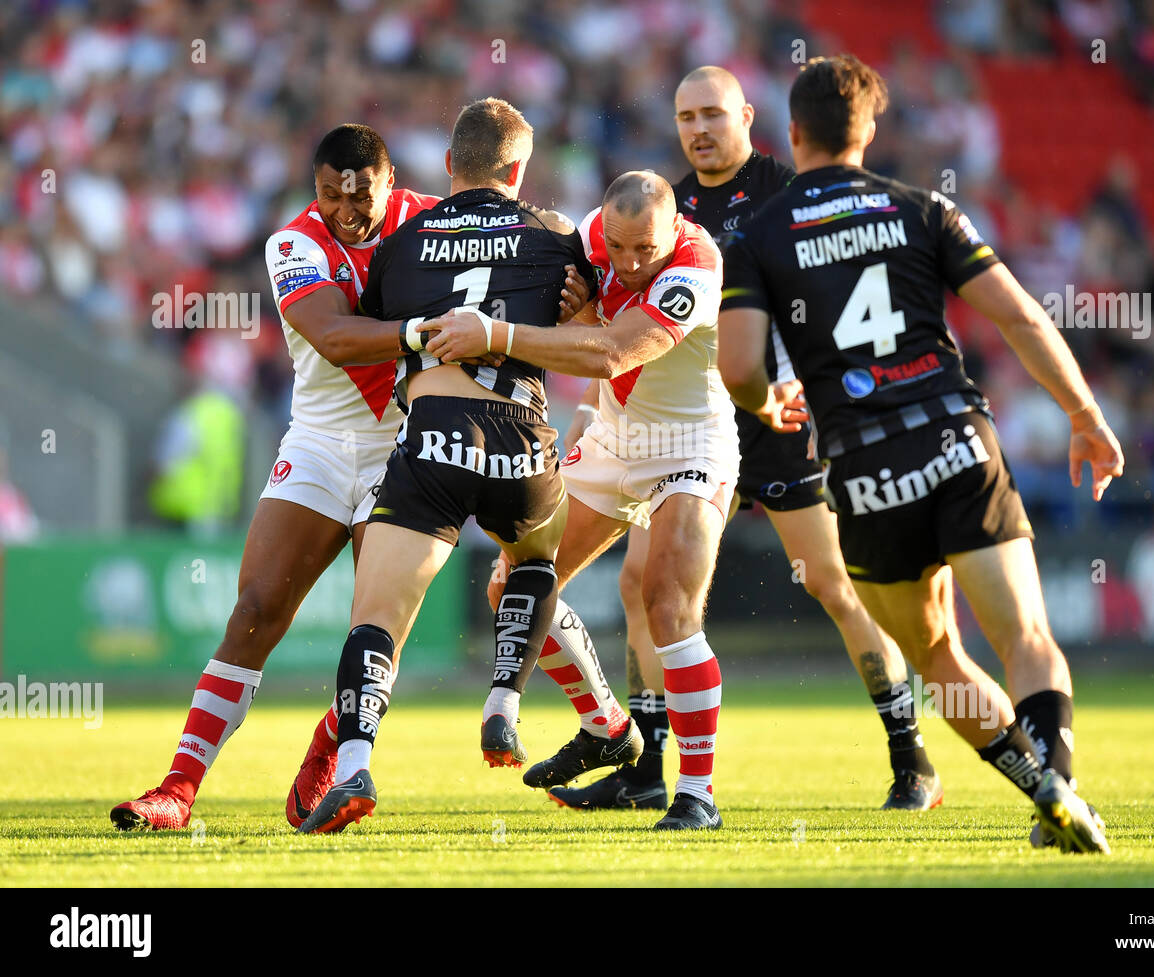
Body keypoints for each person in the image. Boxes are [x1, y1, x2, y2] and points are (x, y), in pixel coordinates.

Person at [111, 121, 585, 831]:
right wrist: (428, 330)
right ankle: (177, 789)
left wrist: (562, 284)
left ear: (392, 183)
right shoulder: (294, 243)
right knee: (255, 611)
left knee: (378, 629)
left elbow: (534, 240)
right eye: (330, 194)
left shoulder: (432, 220)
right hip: (323, 442)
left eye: (359, 195)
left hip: (414, 439)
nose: (344, 210)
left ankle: (333, 743)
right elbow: (334, 337)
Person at [718, 55, 1124, 853]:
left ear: (790, 133)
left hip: (863, 469)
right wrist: (1083, 413)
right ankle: (1062, 780)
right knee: (1028, 641)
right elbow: (1021, 319)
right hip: (954, 437)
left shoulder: (758, 236)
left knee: (936, 657)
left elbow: (738, 366)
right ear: (869, 131)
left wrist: (765, 402)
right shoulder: (923, 208)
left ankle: (1038, 786)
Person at [554, 65, 940, 813]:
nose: (699, 128)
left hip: (780, 421)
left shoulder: (789, 194)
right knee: (641, 585)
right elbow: (624, 329)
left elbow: (844, 305)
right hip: (688, 430)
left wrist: (832, 395)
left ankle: (910, 755)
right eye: (686, 116)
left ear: (747, 116)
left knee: (834, 583)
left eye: (713, 114)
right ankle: (648, 767)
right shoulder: (660, 210)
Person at [426, 170, 773, 830]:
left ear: (676, 229)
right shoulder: (590, 237)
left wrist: (495, 335)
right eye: (618, 248)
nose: (632, 262)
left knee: (667, 604)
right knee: (512, 587)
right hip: (614, 437)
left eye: (647, 248)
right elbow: (548, 288)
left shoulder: (697, 268)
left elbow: (614, 352)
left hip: (690, 446)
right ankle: (608, 726)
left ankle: (696, 793)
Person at [297, 98, 592, 833]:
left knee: (376, 620)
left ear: (447, 167)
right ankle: (504, 699)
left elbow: (368, 333)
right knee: (533, 558)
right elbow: (588, 323)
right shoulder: (555, 237)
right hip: (522, 438)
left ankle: (358, 764)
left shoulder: (399, 246)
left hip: (431, 437)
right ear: (518, 169)